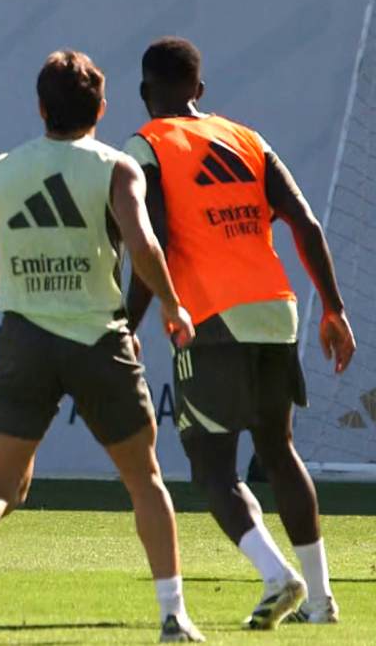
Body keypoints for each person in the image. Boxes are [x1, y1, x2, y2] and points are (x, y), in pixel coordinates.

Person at [0, 50, 204, 642]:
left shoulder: (6, 167)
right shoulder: (116, 166)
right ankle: (173, 616)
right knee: (144, 481)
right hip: (97, 339)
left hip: (24, 340)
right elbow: (144, 246)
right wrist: (173, 305)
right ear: (101, 109)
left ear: (40, 108)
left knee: (2, 489)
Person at [123, 37, 355, 628]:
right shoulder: (248, 139)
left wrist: (128, 322)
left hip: (210, 317)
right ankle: (322, 602)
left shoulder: (146, 144)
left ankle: (278, 576)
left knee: (212, 467)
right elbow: (304, 222)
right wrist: (333, 309)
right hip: (276, 309)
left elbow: (152, 242)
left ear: (146, 93)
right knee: (279, 451)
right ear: (200, 90)